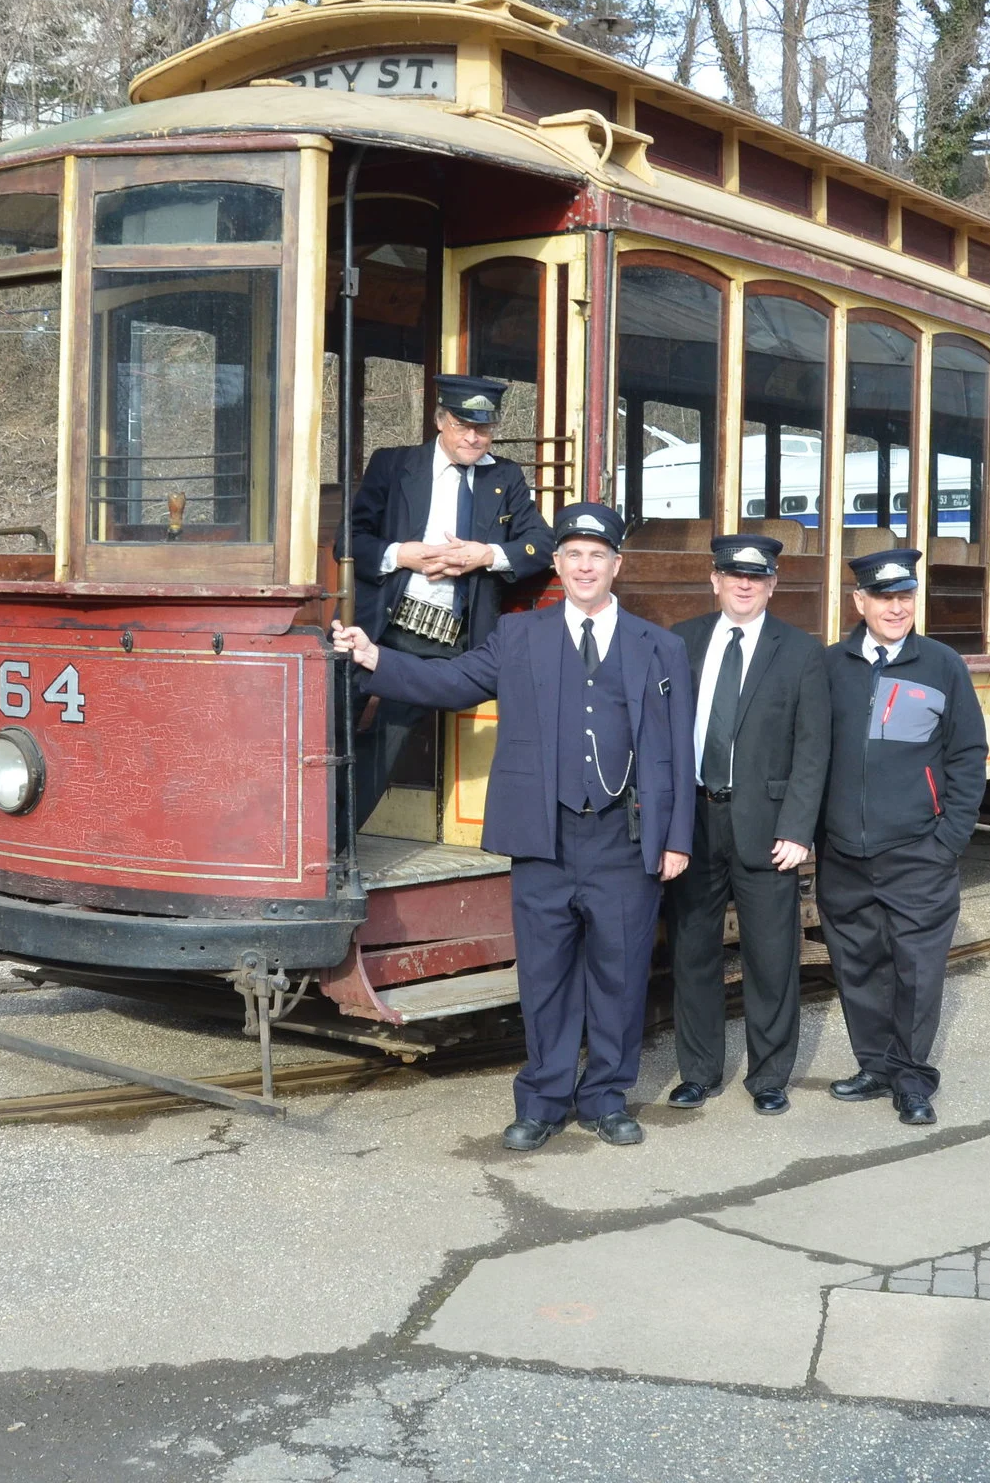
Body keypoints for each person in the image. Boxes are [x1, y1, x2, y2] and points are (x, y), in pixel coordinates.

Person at [333, 504, 694, 1150]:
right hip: (543, 839)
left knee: (620, 974)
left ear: (617, 565)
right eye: (574, 555)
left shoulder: (660, 646)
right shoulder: (521, 636)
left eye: (598, 556)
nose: (585, 566)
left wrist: (677, 839)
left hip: (624, 840)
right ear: (557, 564)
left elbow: (677, 749)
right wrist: (374, 658)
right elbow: (451, 680)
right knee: (546, 976)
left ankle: (608, 1098)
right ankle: (544, 1101)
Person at [815, 547, 987, 1127]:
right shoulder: (831, 665)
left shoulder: (942, 665)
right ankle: (875, 1065)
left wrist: (949, 839)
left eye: (906, 597)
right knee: (857, 965)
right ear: (859, 601)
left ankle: (913, 1080)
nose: (897, 607)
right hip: (844, 853)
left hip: (919, 851)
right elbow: (812, 755)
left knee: (917, 971)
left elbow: (967, 755)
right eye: (884, 598)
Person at [663, 534, 829, 1116]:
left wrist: (798, 829)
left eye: (756, 579)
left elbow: (813, 750)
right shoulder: (680, 642)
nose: (744, 585)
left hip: (768, 828)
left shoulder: (801, 652)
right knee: (693, 952)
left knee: (771, 955)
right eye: (733, 575)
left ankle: (769, 1077)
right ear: (715, 580)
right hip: (694, 822)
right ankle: (699, 1072)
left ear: (772, 586)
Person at [344, 376, 555, 824]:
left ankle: (340, 849)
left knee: (387, 742)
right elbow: (348, 540)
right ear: (441, 420)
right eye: (463, 426)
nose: (474, 437)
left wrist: (487, 555)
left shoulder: (504, 476)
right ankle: (304, 846)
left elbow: (540, 542)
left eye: (484, 428)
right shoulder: (394, 464)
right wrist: (402, 555)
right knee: (326, 729)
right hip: (375, 623)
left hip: (443, 643)